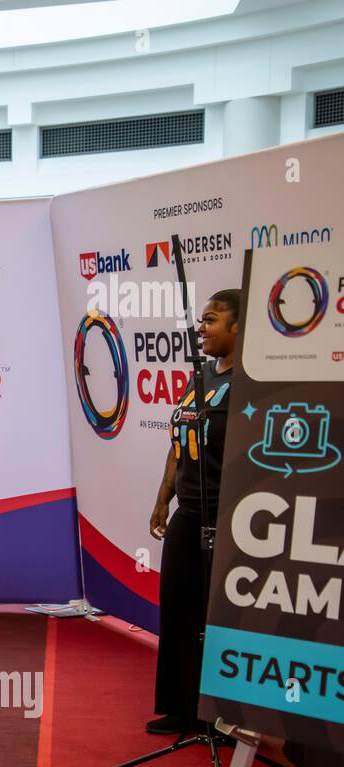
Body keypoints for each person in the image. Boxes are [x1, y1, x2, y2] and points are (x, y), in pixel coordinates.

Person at [145, 289, 242, 734]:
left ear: (238, 327)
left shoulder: (253, 382)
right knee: (179, 609)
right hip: (188, 511)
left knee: (218, 617)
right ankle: (182, 707)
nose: (201, 329)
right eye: (201, 320)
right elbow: (179, 443)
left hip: (228, 516)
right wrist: (163, 497)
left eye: (212, 320)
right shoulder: (200, 375)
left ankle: (222, 718)